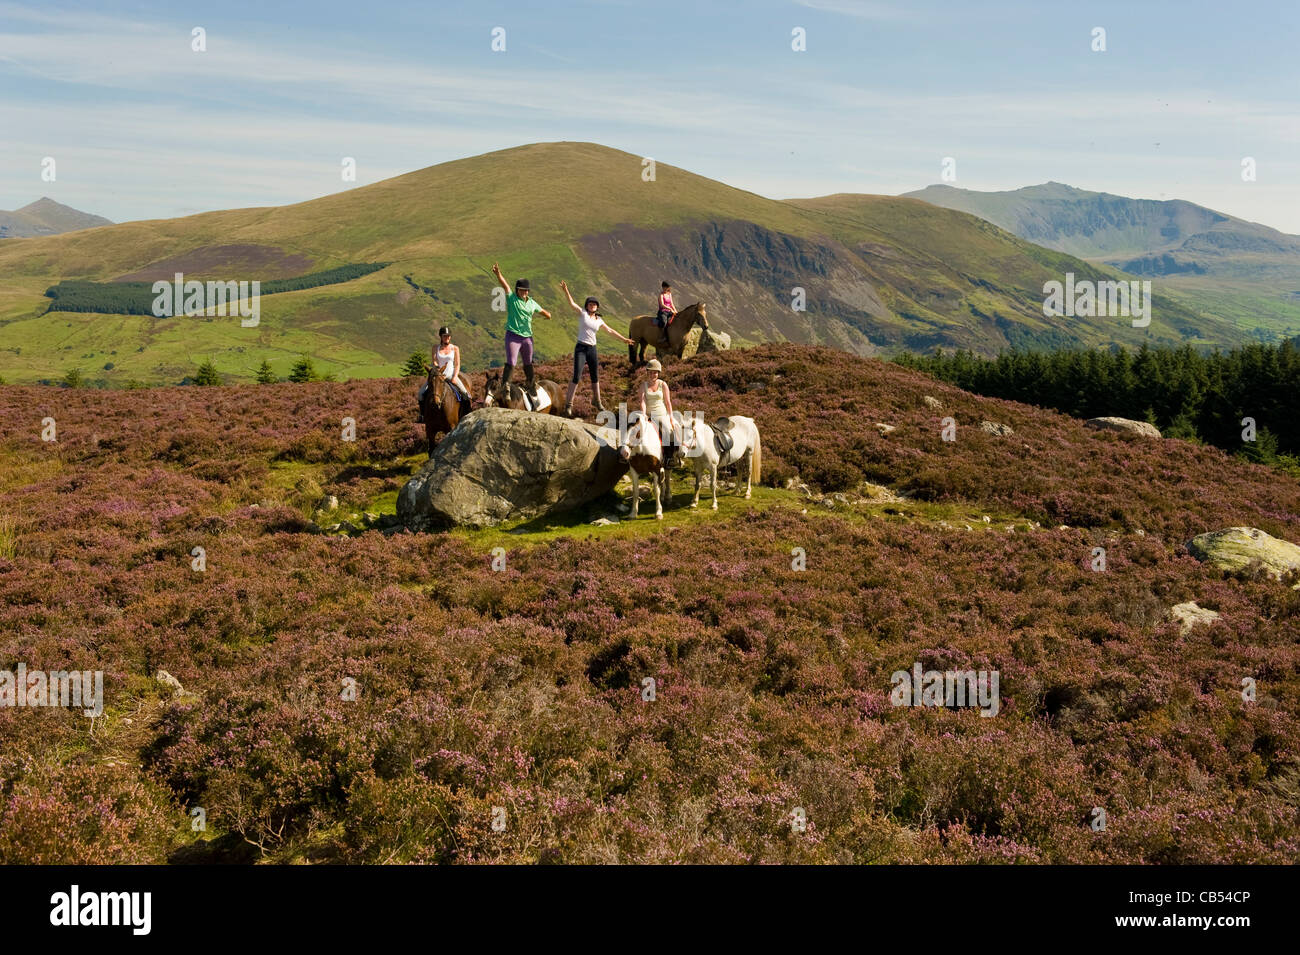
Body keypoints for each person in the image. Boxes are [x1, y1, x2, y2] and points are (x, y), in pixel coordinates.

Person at [559, 279, 633, 417]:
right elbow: (572, 304)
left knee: (595, 376)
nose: (592, 306)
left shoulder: (599, 320)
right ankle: (568, 405)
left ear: (597, 307)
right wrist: (566, 290)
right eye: (590, 304)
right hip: (581, 348)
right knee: (576, 376)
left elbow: (610, 331)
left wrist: (624, 340)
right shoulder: (582, 314)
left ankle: (597, 401)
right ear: (587, 306)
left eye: (594, 304)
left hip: (592, 349)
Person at [491, 262, 551, 401]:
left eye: (526, 290)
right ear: (517, 290)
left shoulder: (532, 302)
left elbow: (541, 311)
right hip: (513, 336)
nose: (524, 292)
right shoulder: (512, 299)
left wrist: (548, 315)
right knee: (511, 361)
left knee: (528, 362)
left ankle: (531, 384)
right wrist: (498, 274)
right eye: (521, 290)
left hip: (527, 338)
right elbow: (505, 285)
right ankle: (505, 387)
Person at [638, 358, 680, 462]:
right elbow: (642, 402)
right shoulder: (643, 386)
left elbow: (667, 402)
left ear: (658, 373)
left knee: (667, 430)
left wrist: (670, 417)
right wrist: (643, 415)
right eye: (651, 372)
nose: (653, 375)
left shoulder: (663, 384)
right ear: (647, 372)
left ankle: (669, 457)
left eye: (655, 373)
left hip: (661, 415)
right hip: (649, 415)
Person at [432, 326, 472, 397]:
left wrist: (455, 377)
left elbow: (457, 364)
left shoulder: (455, 348)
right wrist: (438, 372)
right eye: (444, 336)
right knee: (421, 394)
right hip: (438, 375)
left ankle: (468, 405)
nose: (447, 338)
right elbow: (435, 361)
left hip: (450, 374)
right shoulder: (435, 348)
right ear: (441, 336)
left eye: (448, 336)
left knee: (465, 394)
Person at [655, 281, 676, 348]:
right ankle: (662, 337)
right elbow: (662, 305)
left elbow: (672, 303)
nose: (664, 289)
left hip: (670, 311)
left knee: (674, 322)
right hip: (663, 311)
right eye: (663, 287)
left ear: (668, 288)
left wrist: (675, 310)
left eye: (665, 287)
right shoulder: (661, 295)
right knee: (664, 322)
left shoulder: (669, 294)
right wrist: (670, 309)